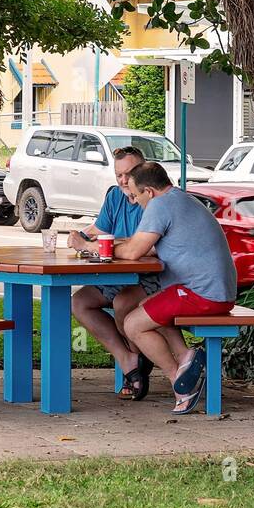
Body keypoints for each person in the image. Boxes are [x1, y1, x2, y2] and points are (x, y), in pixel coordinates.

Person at [120, 162, 238, 415]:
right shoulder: (182, 199)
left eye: (136, 195)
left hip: (204, 294)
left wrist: (100, 248)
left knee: (132, 325)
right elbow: (152, 247)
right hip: (215, 290)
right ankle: (186, 357)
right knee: (146, 307)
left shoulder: (160, 205)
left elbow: (133, 252)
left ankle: (181, 383)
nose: (134, 200)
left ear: (149, 191)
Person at [67, 146, 161, 401]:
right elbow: (100, 228)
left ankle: (140, 368)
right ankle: (128, 359)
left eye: (128, 174)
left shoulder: (152, 199)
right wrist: (81, 236)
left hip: (151, 278)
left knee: (123, 303)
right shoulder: (115, 196)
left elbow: (148, 247)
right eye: (118, 174)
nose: (122, 180)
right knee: (79, 302)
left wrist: (98, 245)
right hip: (117, 276)